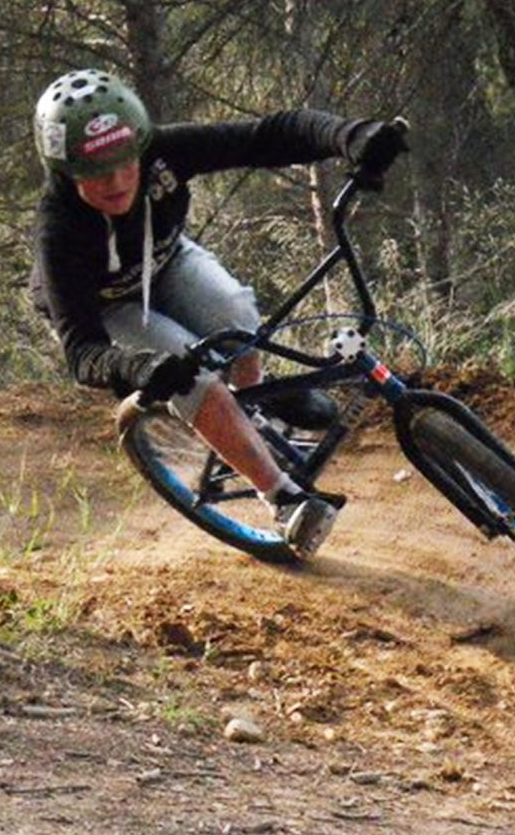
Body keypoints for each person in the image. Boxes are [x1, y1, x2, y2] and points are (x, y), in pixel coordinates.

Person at [30, 67, 406, 556]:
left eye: (127, 162)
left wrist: (348, 135)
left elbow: (265, 136)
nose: (118, 180)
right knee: (193, 378)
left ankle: (258, 404)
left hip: (164, 261)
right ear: (64, 171)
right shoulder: (58, 231)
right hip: (107, 307)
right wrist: (140, 367)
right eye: (96, 172)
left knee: (236, 316)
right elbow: (82, 352)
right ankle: (282, 497)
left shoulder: (163, 151)